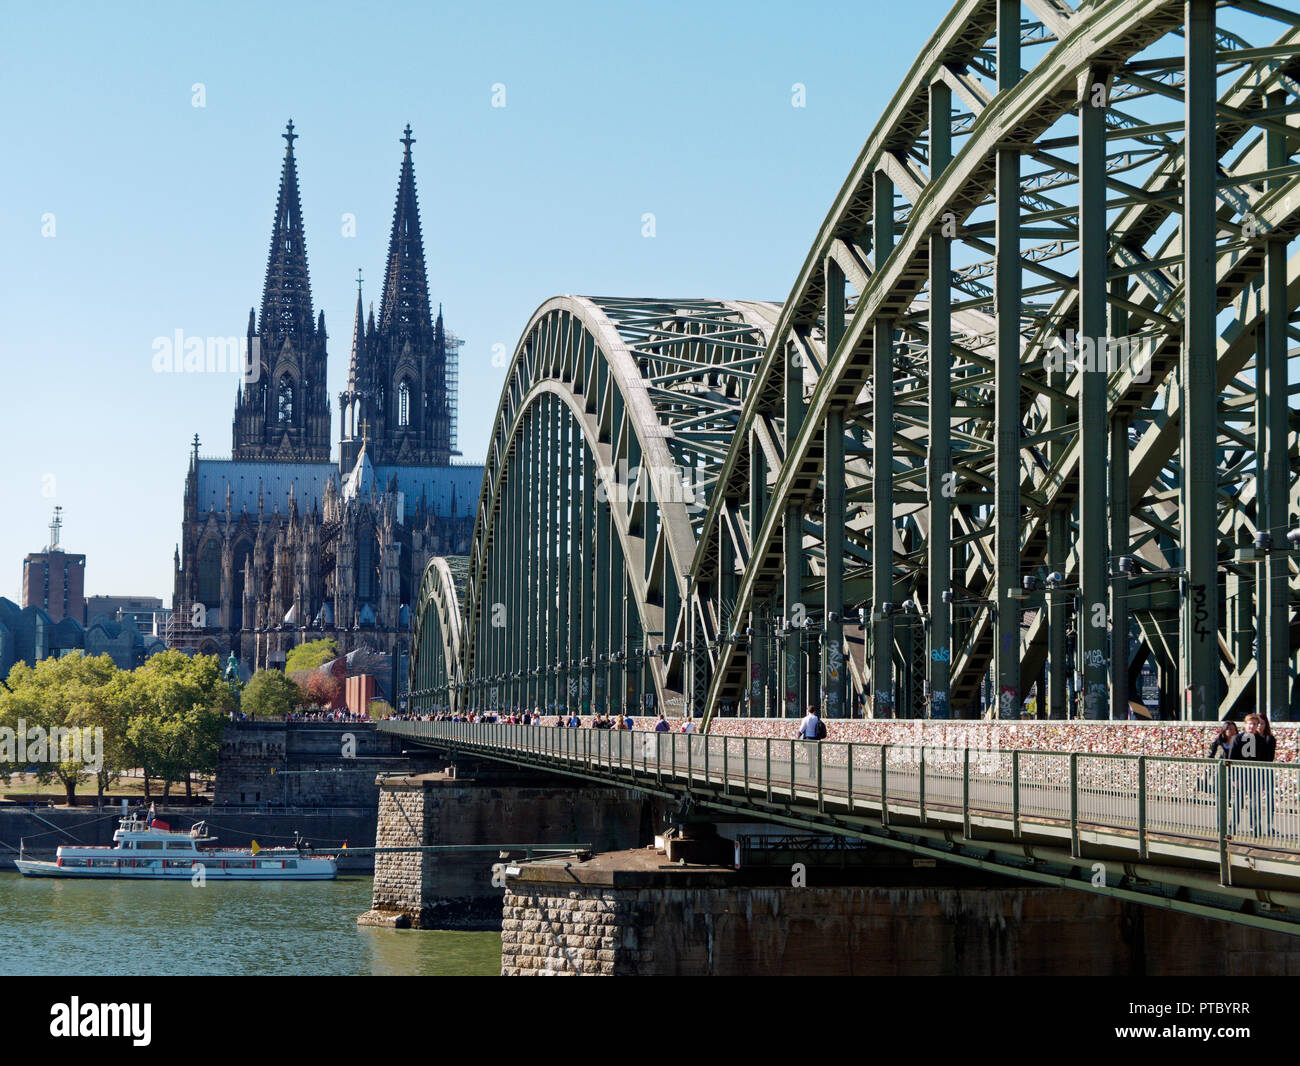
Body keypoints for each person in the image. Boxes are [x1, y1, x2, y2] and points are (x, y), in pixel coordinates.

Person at [1229, 713, 1276, 836]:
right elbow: (1231, 759)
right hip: (1241, 776)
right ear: (1245, 725)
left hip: (1255, 776)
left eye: (1254, 724)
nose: (1252, 726)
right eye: (1250, 724)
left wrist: (1263, 779)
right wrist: (1234, 778)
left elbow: (1265, 760)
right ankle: (1232, 825)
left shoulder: (1261, 740)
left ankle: (1255, 826)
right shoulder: (1237, 738)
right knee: (1238, 802)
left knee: (1255, 803)